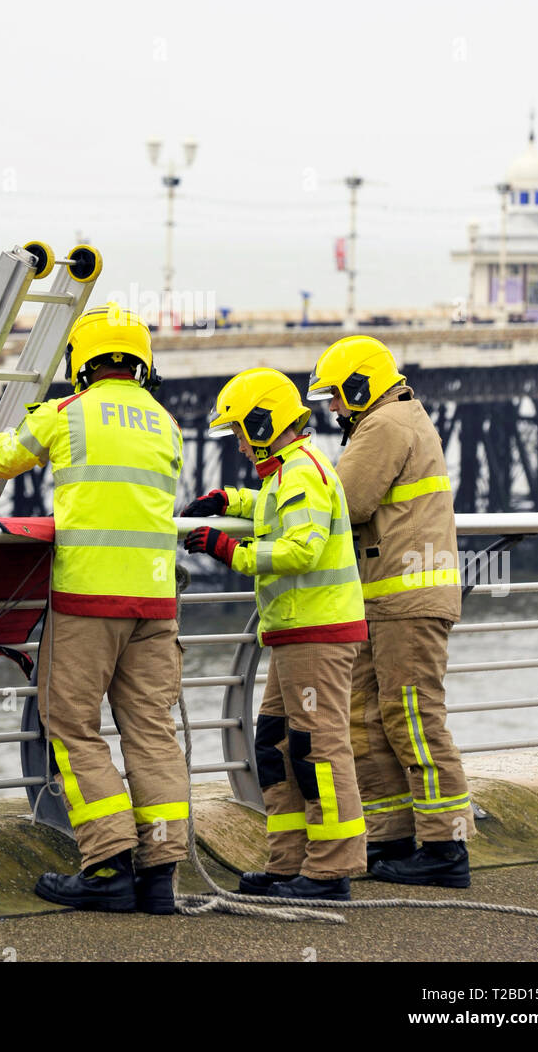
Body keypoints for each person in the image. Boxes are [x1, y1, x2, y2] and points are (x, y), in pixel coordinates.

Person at [0, 303, 189, 914]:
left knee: (73, 727)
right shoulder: (166, 424)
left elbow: (3, 457)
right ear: (141, 361)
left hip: (88, 600)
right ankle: (159, 874)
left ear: (80, 359)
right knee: (153, 732)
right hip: (156, 603)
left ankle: (107, 865)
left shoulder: (66, 414)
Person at [183, 367, 367, 902]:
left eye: (242, 432)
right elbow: (271, 508)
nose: (239, 445)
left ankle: (330, 870)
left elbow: (302, 549)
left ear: (263, 424)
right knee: (275, 744)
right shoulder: (288, 473)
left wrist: (228, 550)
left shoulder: (301, 473)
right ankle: (288, 862)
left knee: (317, 746)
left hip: (317, 633)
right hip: (295, 633)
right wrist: (227, 501)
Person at [307, 334, 475, 888]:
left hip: (407, 600)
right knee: (370, 719)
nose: (333, 408)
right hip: (385, 598)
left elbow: (345, 502)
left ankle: (445, 848)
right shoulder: (399, 418)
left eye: (337, 395)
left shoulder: (384, 425)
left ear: (362, 387)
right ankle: (391, 837)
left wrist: (270, 498)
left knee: (413, 717)